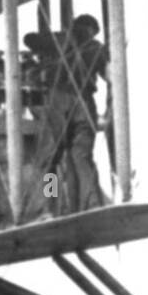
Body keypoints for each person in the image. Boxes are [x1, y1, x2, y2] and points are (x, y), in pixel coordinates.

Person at [31, 14, 108, 213]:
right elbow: (110, 76)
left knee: (50, 159)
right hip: (85, 102)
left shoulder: (60, 40)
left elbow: (29, 39)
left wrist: (51, 40)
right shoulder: (97, 48)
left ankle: (51, 208)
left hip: (59, 99)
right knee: (82, 157)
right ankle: (94, 205)